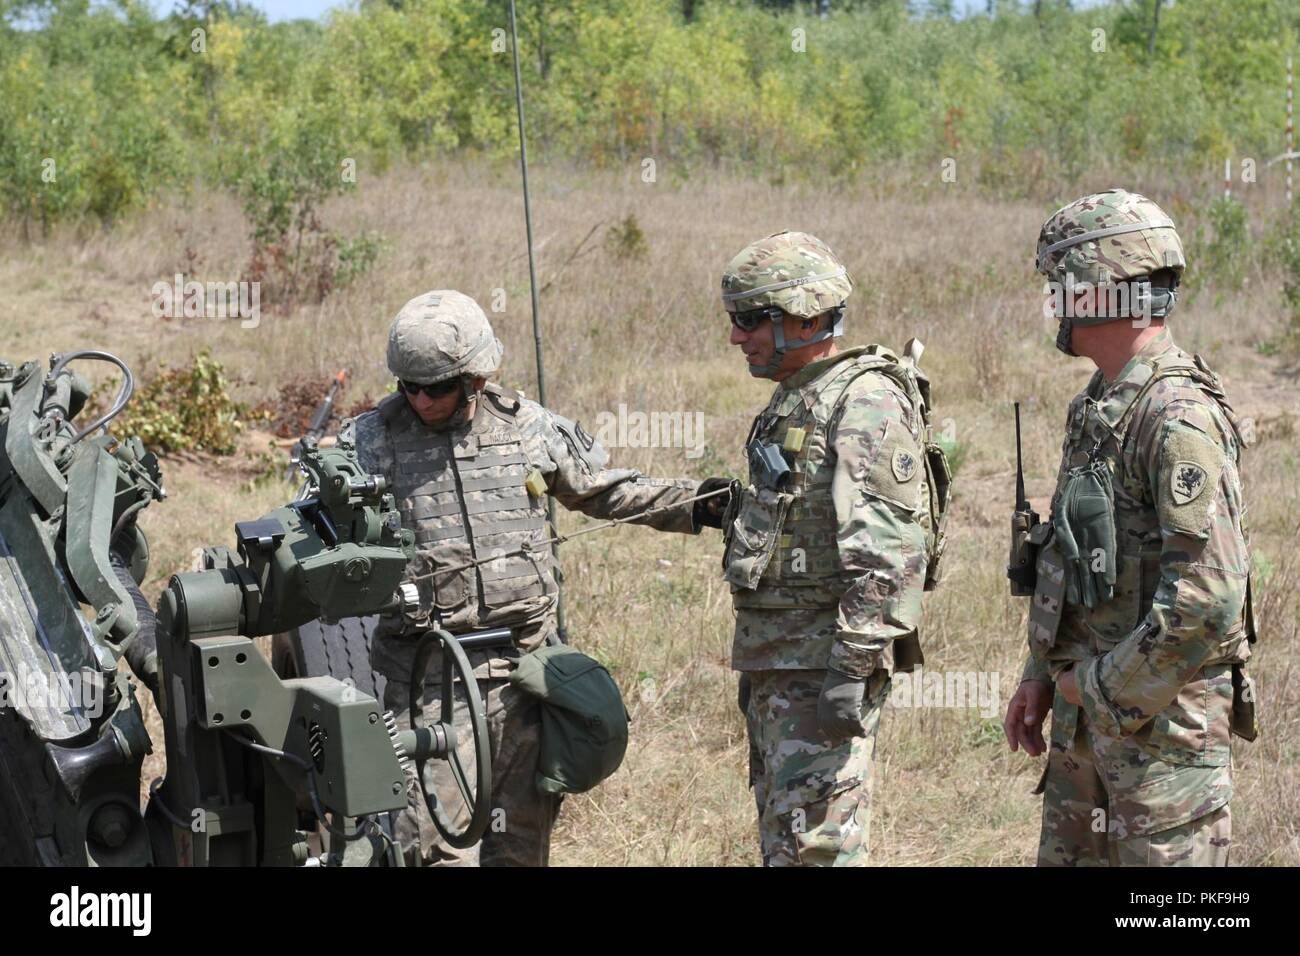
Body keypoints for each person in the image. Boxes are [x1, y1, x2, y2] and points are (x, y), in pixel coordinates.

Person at [341, 289, 726, 866]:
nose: (421, 399)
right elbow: (314, 535)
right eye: (409, 386)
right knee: (432, 849)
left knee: (518, 847)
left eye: (437, 387)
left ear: (474, 377)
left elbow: (608, 490)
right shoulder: (367, 443)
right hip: (429, 685)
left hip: (525, 674)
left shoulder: (527, 429)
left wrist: (699, 504)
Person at [1003, 189, 1259, 866]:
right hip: (1089, 730)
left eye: (1059, 283)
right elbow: (1067, 559)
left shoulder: (1175, 415)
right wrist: (1041, 672)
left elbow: (1206, 599)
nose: (1052, 301)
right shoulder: (1099, 403)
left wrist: (1092, 688)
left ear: (1098, 288)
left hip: (1163, 742)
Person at [715, 230, 948, 866]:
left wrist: (850, 671)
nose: (737, 337)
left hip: (820, 667)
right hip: (782, 662)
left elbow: (888, 555)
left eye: (748, 321)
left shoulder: (864, 400)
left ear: (807, 317)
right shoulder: (800, 395)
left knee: (818, 850)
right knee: (790, 844)